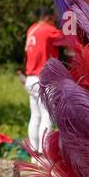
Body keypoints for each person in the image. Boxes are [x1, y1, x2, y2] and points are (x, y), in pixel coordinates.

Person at [23, 14, 62, 150]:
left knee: (35, 115)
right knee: (47, 116)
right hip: (43, 78)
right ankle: (44, 153)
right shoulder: (47, 29)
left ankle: (34, 152)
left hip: (30, 78)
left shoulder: (32, 28)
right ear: (48, 18)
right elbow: (66, 38)